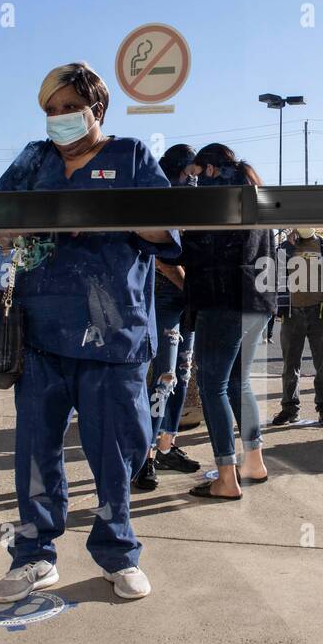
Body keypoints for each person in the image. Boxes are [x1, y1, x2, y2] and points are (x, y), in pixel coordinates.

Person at [0, 62, 179, 604]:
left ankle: (118, 551)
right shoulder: (33, 159)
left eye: (71, 107)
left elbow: (166, 231)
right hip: (41, 330)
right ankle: (35, 556)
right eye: (51, 110)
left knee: (118, 450)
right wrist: (31, 224)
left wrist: (102, 214)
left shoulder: (133, 156)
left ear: (97, 107)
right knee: (35, 450)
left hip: (113, 333)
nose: (60, 118)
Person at [180, 144, 275, 501]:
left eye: (196, 171)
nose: (193, 178)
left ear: (210, 169)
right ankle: (253, 462)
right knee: (239, 383)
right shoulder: (251, 191)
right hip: (256, 301)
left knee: (213, 386)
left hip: (222, 301)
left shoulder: (217, 195)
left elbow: (195, 250)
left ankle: (225, 477)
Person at [133, 144, 202, 491]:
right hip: (165, 296)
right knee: (165, 374)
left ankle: (166, 445)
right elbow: (162, 258)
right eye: (191, 171)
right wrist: (190, 286)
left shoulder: (188, 200)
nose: (195, 179)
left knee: (183, 373)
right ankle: (144, 458)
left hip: (184, 299)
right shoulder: (162, 196)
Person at [271, 227, 323, 428]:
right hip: (292, 312)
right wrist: (277, 305)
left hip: (321, 312)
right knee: (289, 365)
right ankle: (289, 409)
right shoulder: (285, 247)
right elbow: (274, 274)